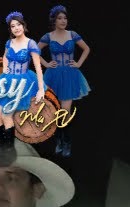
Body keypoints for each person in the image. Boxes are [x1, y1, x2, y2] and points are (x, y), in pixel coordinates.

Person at [0, 12, 46, 163]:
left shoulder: (31, 44)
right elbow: (5, 57)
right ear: (10, 29)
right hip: (8, 81)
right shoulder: (9, 43)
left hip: (22, 81)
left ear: (24, 25)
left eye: (18, 25)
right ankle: (0, 151)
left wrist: (41, 89)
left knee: (6, 116)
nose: (16, 28)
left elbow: (38, 66)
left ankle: (9, 152)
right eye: (12, 26)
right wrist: (5, 71)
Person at [37, 5, 90, 156]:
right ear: (54, 20)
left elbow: (86, 49)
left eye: (65, 18)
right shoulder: (48, 36)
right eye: (60, 18)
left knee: (65, 112)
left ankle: (66, 142)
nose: (63, 21)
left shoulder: (72, 34)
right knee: (55, 111)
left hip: (69, 75)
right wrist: (46, 63)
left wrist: (79, 63)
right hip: (53, 75)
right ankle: (59, 141)